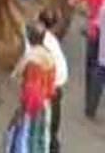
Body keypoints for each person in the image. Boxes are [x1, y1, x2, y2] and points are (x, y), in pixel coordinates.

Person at [5, 24, 57, 153]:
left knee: (25, 135)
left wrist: (23, 106)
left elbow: (17, 77)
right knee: (42, 136)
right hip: (45, 101)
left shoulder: (30, 58)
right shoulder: (49, 55)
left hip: (31, 101)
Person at [37, 10, 68, 153]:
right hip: (53, 87)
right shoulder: (50, 41)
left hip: (49, 88)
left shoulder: (43, 41)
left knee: (47, 126)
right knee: (51, 125)